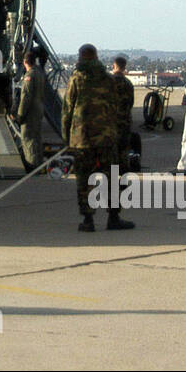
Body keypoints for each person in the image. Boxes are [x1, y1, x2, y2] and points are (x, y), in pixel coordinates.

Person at [62, 43, 133, 232]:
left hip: (81, 139)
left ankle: (88, 219)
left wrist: (66, 138)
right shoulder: (109, 80)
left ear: (81, 57)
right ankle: (114, 217)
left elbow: (67, 110)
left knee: (84, 180)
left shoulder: (76, 79)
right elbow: (117, 108)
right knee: (111, 177)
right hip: (106, 137)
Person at [13, 49, 45, 171]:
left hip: (30, 112)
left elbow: (25, 97)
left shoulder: (29, 76)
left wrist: (20, 115)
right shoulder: (39, 73)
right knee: (37, 138)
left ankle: (33, 166)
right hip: (38, 109)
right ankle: (40, 164)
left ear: (25, 62)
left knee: (28, 139)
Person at [111, 55, 138, 172]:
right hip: (125, 121)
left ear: (114, 66)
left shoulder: (108, 82)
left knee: (112, 153)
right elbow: (131, 102)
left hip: (111, 122)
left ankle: (112, 179)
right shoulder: (128, 83)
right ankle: (124, 179)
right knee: (124, 151)